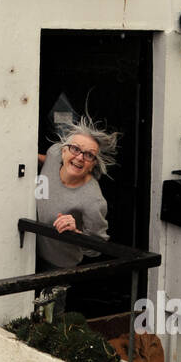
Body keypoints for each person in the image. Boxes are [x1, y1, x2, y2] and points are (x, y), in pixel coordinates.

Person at [35, 117, 121, 273]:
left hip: (58, 267)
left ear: (93, 164)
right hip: (28, 252)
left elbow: (96, 247)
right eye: (75, 149)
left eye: (89, 155)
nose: (80, 157)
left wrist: (76, 234)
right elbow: (48, 163)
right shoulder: (54, 154)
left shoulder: (93, 200)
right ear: (63, 150)